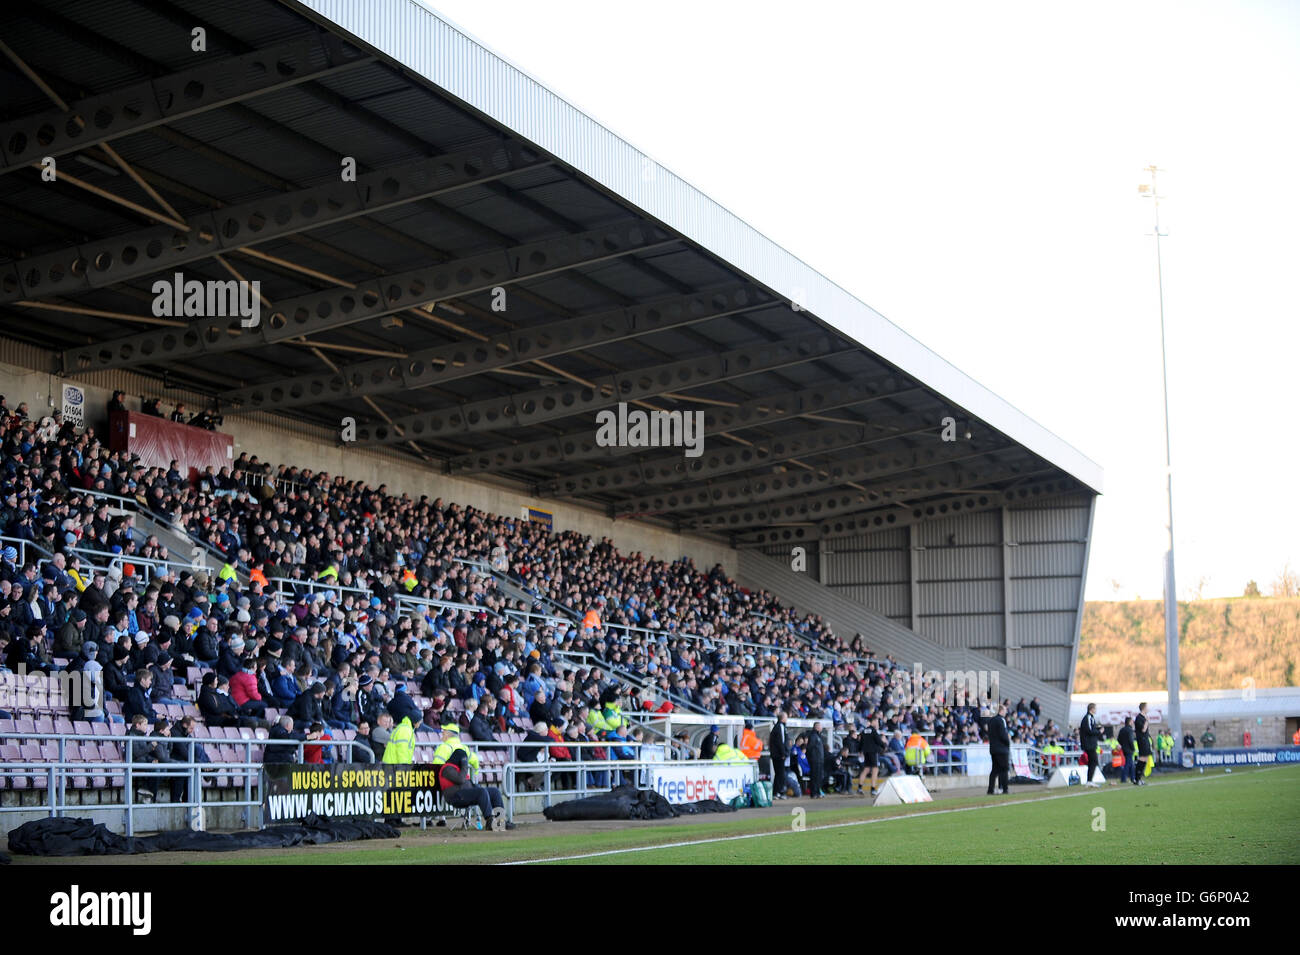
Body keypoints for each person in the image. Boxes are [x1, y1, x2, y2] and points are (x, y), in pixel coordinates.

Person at [436, 749, 514, 830]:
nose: (465, 762)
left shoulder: (458, 768)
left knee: (495, 792)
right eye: (464, 759)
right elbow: (461, 779)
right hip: (455, 796)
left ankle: (500, 821)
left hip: (466, 793)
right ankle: (489, 821)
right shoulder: (447, 768)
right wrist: (464, 765)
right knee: (481, 792)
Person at [986, 703, 1011, 795]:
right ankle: (1005, 789)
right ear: (1001, 711)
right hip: (1001, 749)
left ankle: (990, 789)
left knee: (994, 770)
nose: (1006, 712)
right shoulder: (1001, 720)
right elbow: (1003, 734)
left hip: (993, 748)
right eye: (1004, 710)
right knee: (1004, 769)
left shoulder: (991, 720)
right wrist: (1007, 742)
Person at [857, 716, 885, 796]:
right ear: (873, 721)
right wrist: (884, 746)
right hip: (873, 752)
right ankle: (873, 788)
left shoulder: (864, 731)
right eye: (876, 721)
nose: (877, 723)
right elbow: (879, 741)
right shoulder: (873, 731)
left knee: (866, 769)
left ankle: (860, 787)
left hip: (866, 752)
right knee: (875, 769)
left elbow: (861, 742)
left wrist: (860, 750)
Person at [1078, 702, 1104, 787]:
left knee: (1093, 761)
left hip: (1091, 743)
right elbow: (1089, 730)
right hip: (1089, 744)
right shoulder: (1088, 717)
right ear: (1091, 709)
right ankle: (1089, 780)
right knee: (1094, 761)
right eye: (1095, 708)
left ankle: (1089, 780)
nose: (1096, 710)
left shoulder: (1091, 718)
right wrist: (1098, 731)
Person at [768, 710, 788, 799]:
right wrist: (783, 753)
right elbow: (781, 741)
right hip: (778, 755)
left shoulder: (777, 726)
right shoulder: (780, 727)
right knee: (780, 774)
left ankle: (776, 792)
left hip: (776, 754)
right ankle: (778, 792)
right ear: (783, 718)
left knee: (779, 773)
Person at [1133, 702, 1152, 786]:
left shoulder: (1143, 717)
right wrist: (1147, 721)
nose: (1148, 709)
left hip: (1145, 739)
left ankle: (1139, 778)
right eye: (1147, 707)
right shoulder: (1139, 718)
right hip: (1142, 740)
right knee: (1142, 758)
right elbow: (1143, 730)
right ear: (1144, 708)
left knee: (1145, 758)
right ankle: (1137, 778)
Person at [806, 722, 826, 798]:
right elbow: (810, 748)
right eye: (820, 726)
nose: (821, 728)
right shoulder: (813, 736)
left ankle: (817, 792)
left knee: (818, 777)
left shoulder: (818, 736)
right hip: (815, 760)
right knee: (814, 777)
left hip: (819, 760)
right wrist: (811, 758)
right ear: (816, 727)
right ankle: (814, 793)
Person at [1117, 716, 1137, 785]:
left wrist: (1123, 744)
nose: (1133, 722)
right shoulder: (1130, 730)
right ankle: (1123, 778)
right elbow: (1131, 740)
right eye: (1132, 721)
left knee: (1131, 764)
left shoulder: (1122, 730)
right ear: (1129, 722)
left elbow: (1118, 739)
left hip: (1124, 748)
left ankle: (1133, 777)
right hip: (1129, 749)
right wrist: (1133, 748)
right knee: (1128, 764)